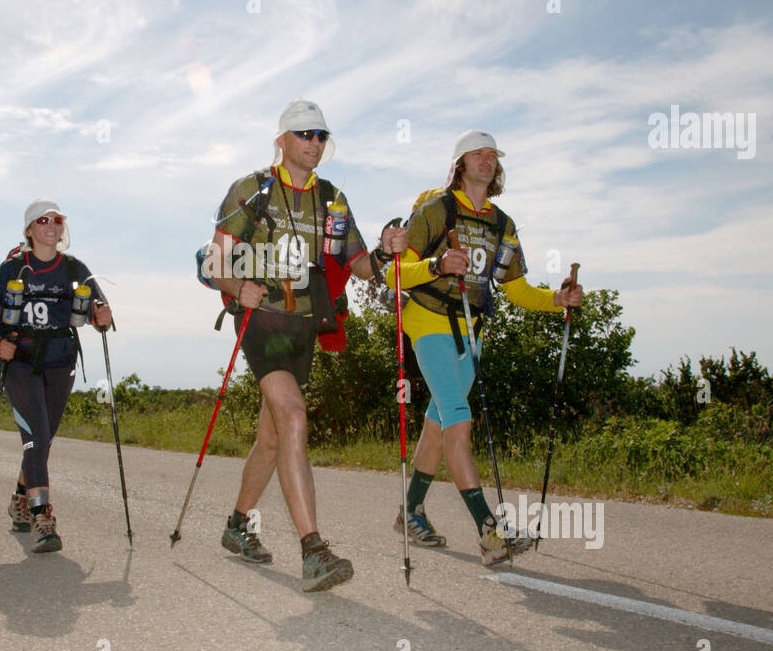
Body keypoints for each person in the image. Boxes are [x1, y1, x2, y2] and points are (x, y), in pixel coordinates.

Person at [209, 99, 406, 592]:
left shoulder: (333, 198)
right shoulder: (252, 190)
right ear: (282, 140)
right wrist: (238, 288)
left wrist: (385, 249)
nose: (314, 143)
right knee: (294, 416)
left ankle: (238, 526)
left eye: (321, 136)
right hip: (260, 320)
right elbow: (212, 262)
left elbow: (358, 261)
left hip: (304, 327)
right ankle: (313, 550)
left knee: (274, 436)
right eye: (305, 134)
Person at [385, 129, 583, 566]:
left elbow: (517, 291)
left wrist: (558, 300)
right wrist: (436, 264)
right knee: (459, 420)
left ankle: (410, 511)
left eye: (492, 154)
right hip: (429, 321)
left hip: (472, 332)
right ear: (459, 164)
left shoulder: (502, 224)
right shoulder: (436, 211)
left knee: (439, 422)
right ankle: (490, 533)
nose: (486, 159)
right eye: (477, 153)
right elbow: (393, 274)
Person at [0, 199, 113, 554]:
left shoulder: (74, 268)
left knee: (44, 439)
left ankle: (20, 499)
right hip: (21, 361)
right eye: (42, 220)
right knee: (35, 435)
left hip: (61, 360)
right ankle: (42, 518)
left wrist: (104, 317)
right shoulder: (11, 269)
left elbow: (100, 315)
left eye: (57, 220)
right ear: (29, 230)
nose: (51, 225)